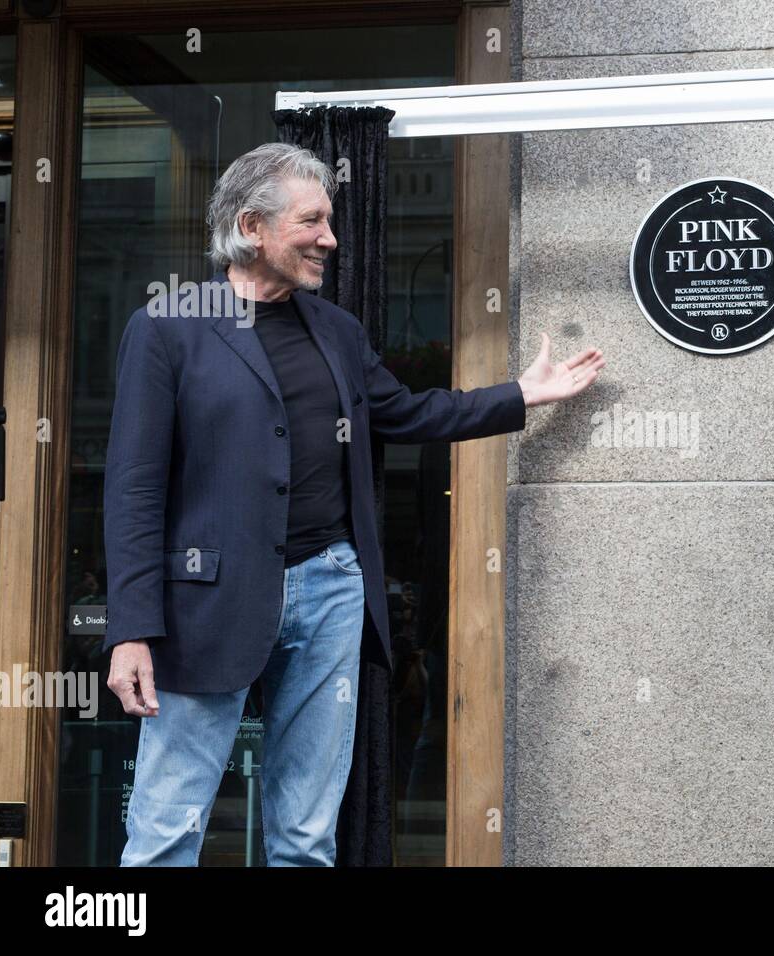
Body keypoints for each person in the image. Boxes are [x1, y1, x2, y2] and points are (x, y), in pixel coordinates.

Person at [103, 142, 606, 866]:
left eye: (332, 221)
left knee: (307, 833)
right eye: (312, 221)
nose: (331, 240)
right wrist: (131, 628)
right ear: (252, 226)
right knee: (164, 831)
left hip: (331, 590)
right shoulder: (169, 326)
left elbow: (406, 413)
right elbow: (135, 488)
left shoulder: (336, 331)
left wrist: (522, 394)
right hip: (205, 604)